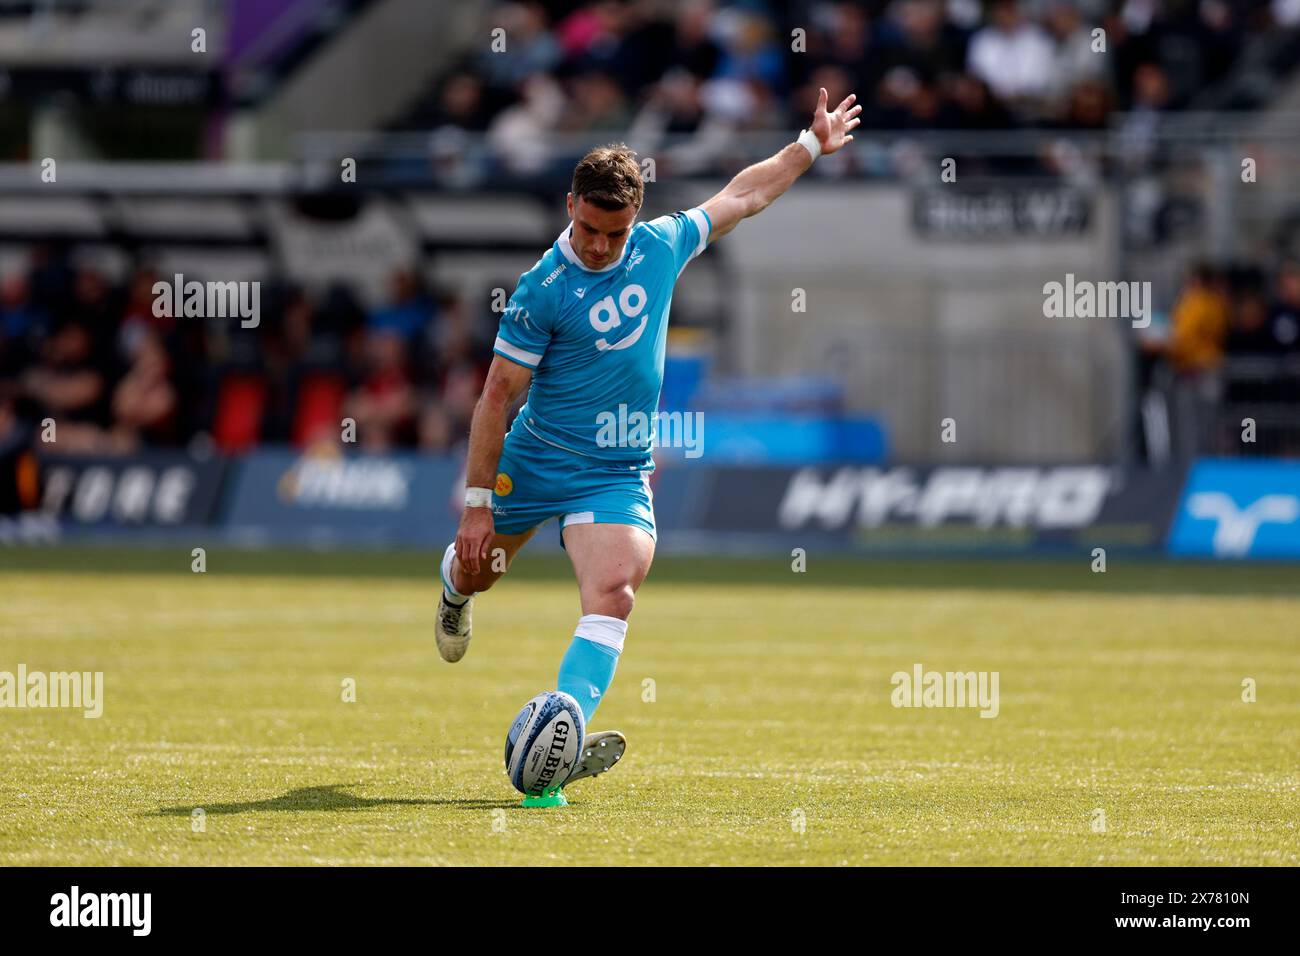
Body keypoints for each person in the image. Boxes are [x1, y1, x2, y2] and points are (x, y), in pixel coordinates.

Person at [435, 88, 861, 793]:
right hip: (535, 459)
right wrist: (477, 505)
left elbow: (743, 195)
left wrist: (810, 146)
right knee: (479, 571)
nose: (603, 246)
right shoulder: (541, 288)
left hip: (616, 472)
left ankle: (560, 728)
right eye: (593, 229)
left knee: (616, 593)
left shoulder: (660, 245)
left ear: (636, 218)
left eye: (617, 233)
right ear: (572, 204)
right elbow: (495, 396)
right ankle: (455, 590)